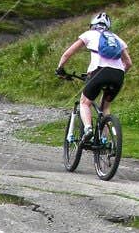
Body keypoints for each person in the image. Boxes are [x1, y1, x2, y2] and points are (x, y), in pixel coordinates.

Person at [56, 12, 132, 140]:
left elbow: (67, 54)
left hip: (99, 72)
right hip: (118, 75)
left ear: (92, 25)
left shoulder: (89, 34)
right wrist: (115, 74)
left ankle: (88, 129)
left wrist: (60, 68)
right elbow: (129, 63)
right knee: (106, 107)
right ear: (108, 27)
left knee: (85, 103)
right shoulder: (116, 38)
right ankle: (105, 140)